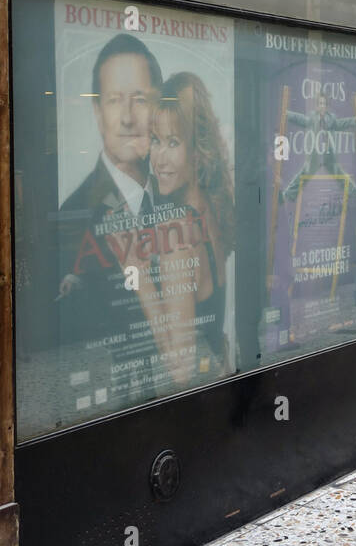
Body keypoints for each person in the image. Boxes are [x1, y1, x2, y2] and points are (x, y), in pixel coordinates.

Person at [57, 33, 163, 343]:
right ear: (98, 112)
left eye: (140, 99)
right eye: (115, 100)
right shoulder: (75, 213)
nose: (128, 118)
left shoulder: (176, 193)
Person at [144, 71, 235, 385]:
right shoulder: (211, 209)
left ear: (196, 151)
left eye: (173, 142)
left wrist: (139, 278)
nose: (159, 158)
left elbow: (179, 370)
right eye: (155, 141)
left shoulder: (176, 231)